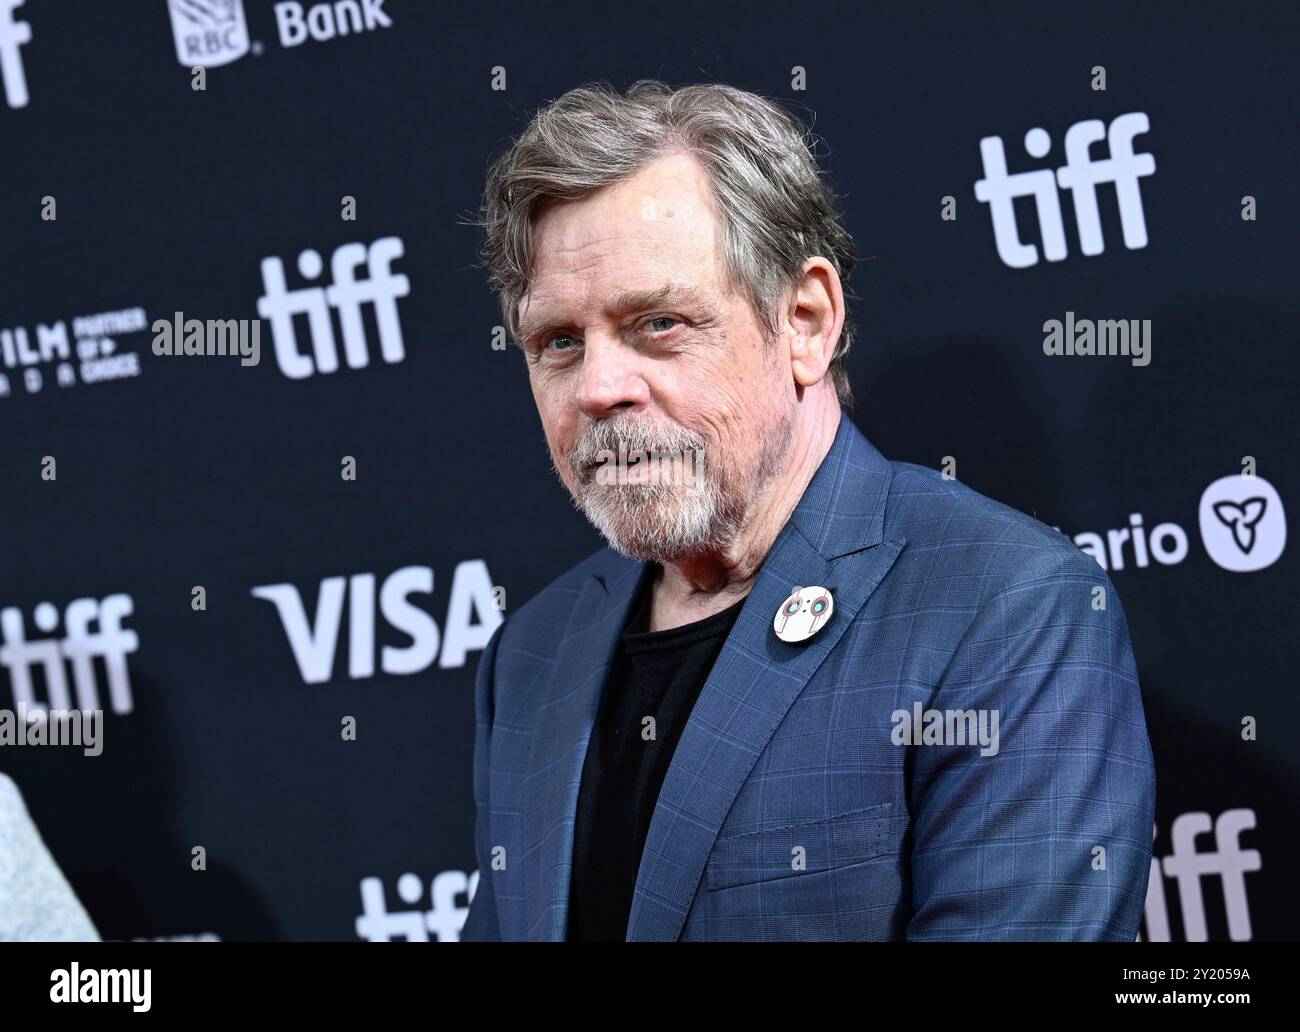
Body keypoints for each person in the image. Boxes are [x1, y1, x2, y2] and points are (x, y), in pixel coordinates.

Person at [462, 80, 1156, 941]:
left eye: (660, 323)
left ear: (805, 321)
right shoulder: (529, 653)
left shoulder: (1006, 608)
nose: (600, 388)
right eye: (559, 342)